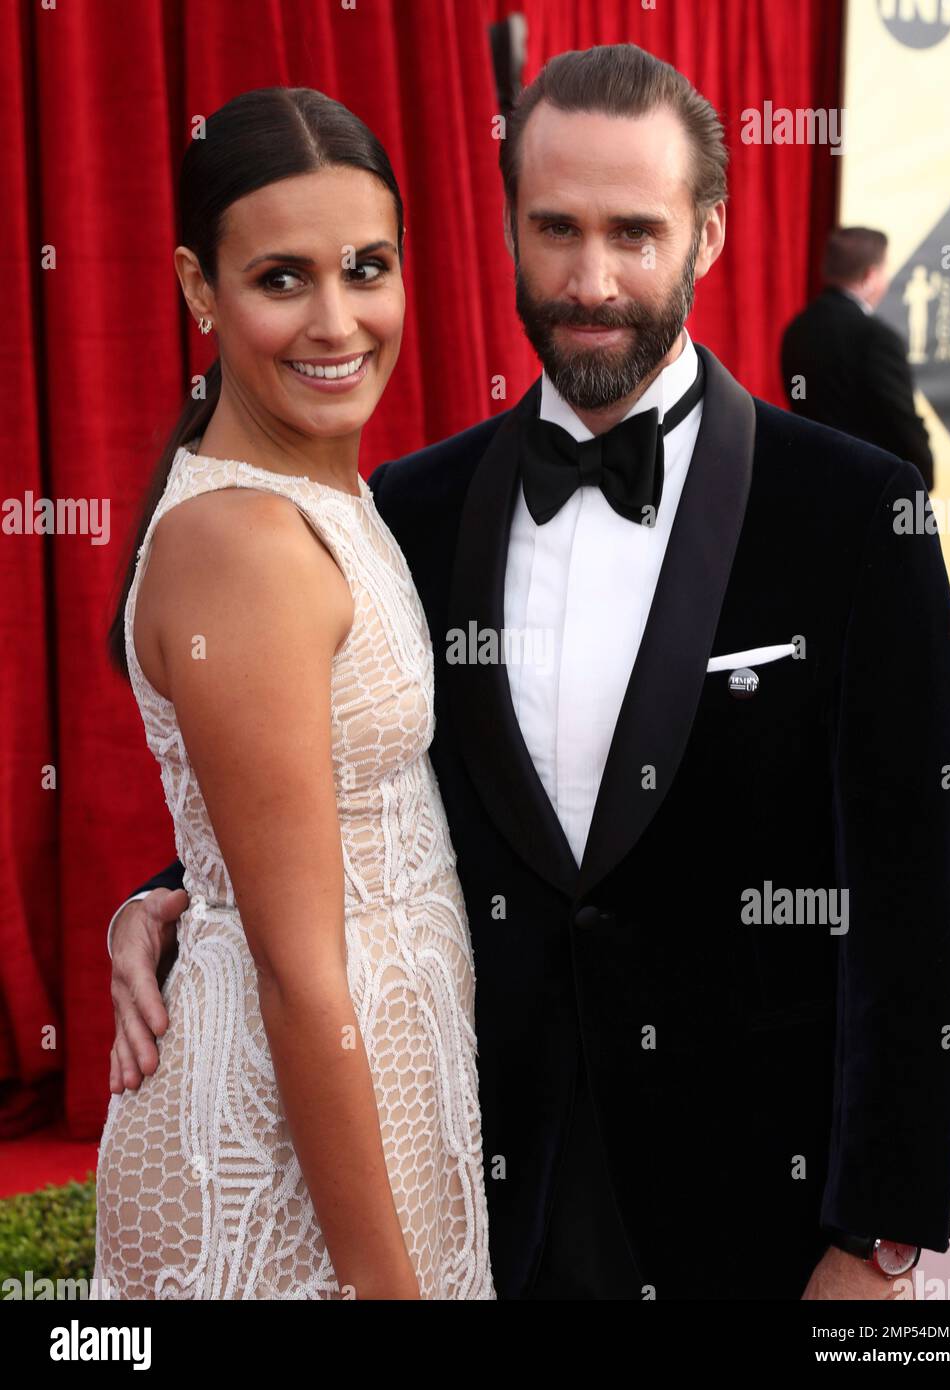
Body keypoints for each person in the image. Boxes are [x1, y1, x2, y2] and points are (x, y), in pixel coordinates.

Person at [107, 47, 950, 1301]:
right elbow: (329, 766)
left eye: (634, 231)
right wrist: (167, 894)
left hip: (750, 1206)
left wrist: (875, 1233)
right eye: (554, 228)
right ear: (505, 225)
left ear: (708, 234)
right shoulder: (408, 504)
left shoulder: (854, 513)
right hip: (478, 1170)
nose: (591, 279)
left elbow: (911, 892)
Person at [94, 86, 494, 1301]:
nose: (338, 320)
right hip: (288, 1145)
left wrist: (166, 894)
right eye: (281, 278)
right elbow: (296, 968)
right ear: (196, 287)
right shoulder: (246, 544)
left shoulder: (321, 499)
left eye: (368, 268)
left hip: (374, 1099)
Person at [780, 226, 935, 488]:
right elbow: (900, 420)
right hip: (868, 492)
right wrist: (923, 474)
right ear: (870, 276)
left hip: (808, 486)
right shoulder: (877, 339)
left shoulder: (797, 329)